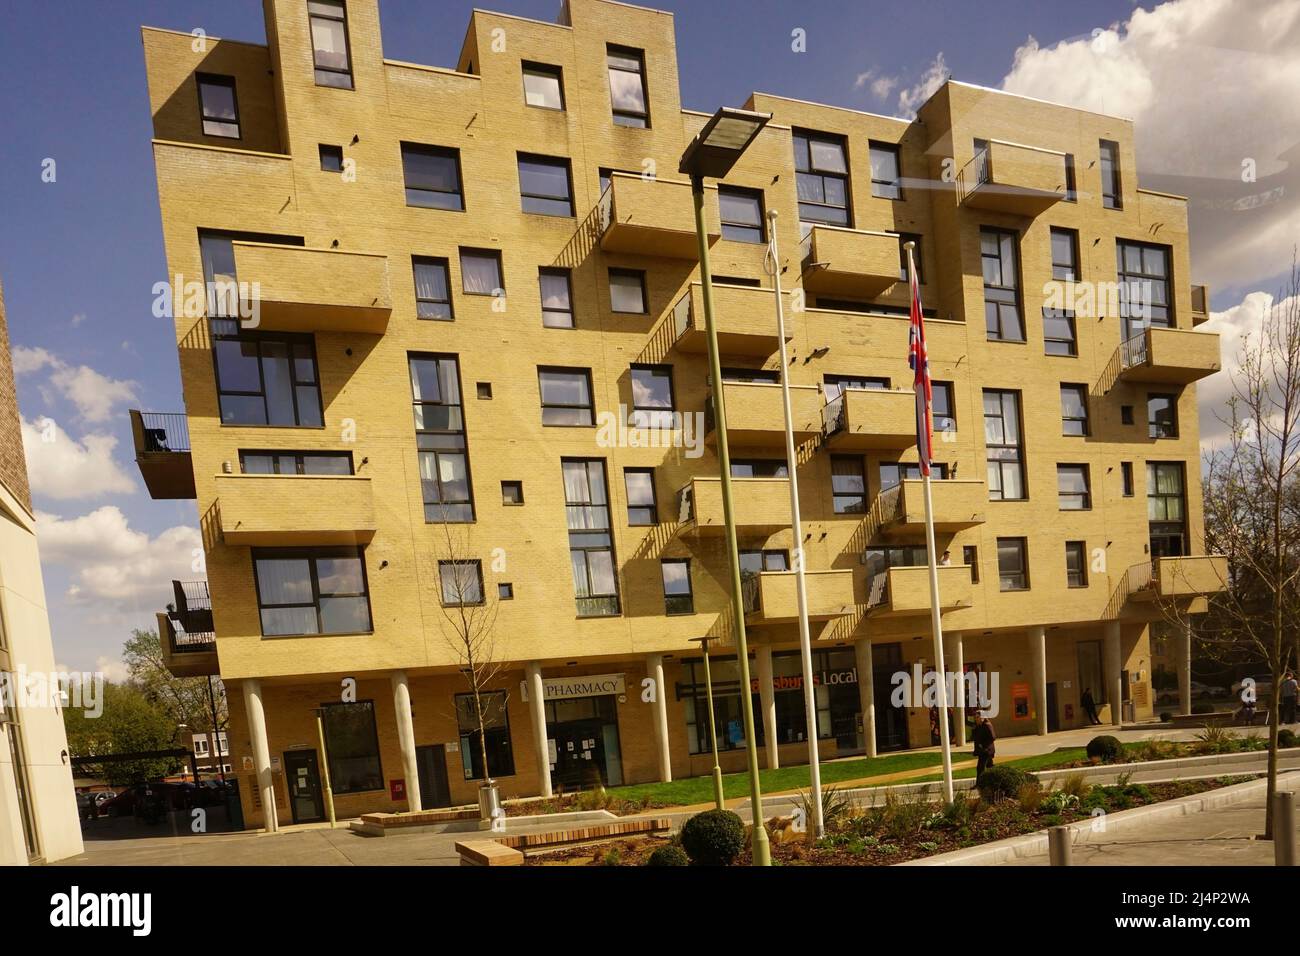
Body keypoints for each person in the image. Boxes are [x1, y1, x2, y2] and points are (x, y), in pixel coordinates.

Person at [972, 713, 996, 780]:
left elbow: (993, 737)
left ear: (982, 717)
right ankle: (994, 780)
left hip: (986, 750)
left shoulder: (987, 725)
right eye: (975, 717)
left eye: (978, 717)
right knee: (990, 766)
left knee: (980, 768)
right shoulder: (978, 726)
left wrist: (983, 744)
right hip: (981, 751)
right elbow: (975, 737)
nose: (976, 719)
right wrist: (974, 729)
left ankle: (979, 784)